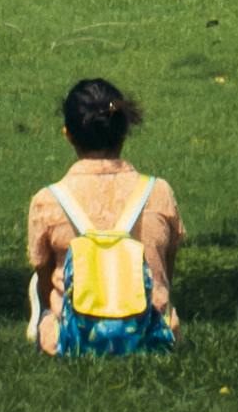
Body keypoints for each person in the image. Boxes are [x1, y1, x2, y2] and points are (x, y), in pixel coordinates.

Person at [27, 76, 182, 356]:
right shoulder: (158, 192)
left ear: (68, 134)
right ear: (123, 132)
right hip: (150, 338)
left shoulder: (48, 200)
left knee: (42, 290)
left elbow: (45, 276)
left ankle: (47, 332)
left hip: (73, 342)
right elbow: (165, 273)